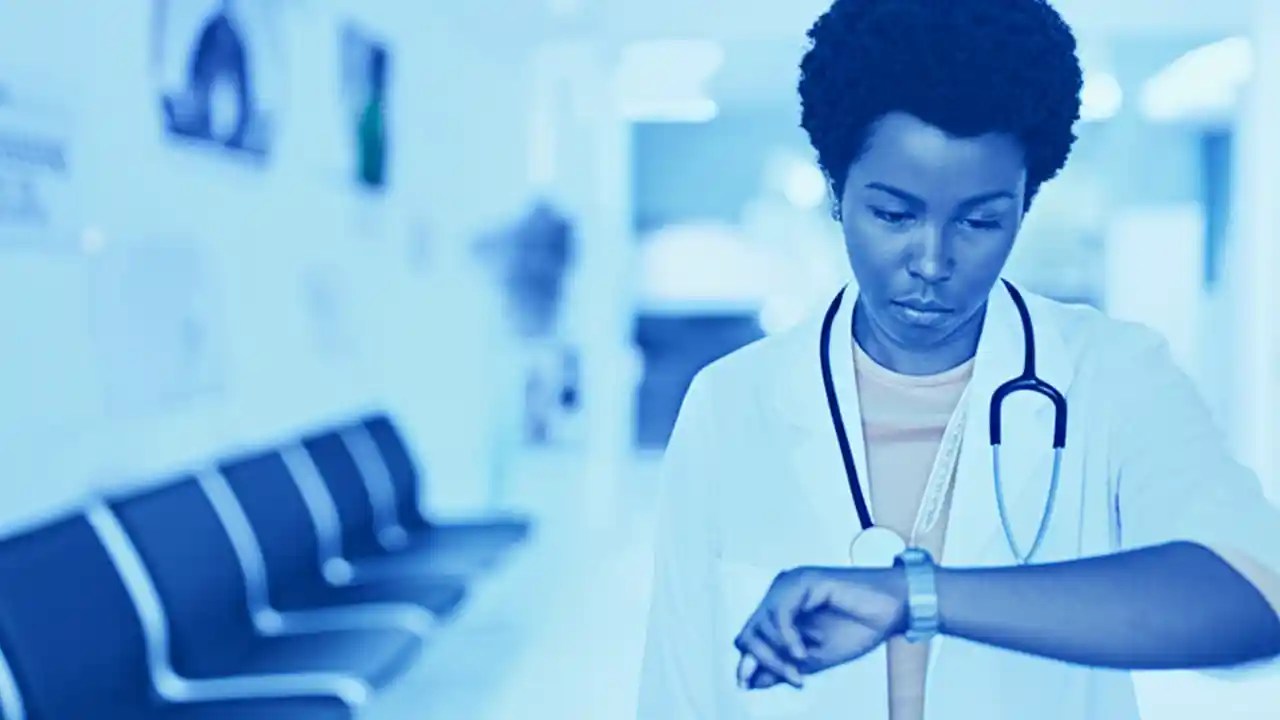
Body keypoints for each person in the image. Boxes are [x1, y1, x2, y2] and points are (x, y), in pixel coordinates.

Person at [634, 1, 1280, 719]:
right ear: (835, 190)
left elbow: (1256, 600)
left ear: (1025, 204)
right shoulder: (731, 402)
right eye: (894, 215)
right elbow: (678, 687)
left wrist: (917, 597)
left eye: (980, 220)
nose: (932, 261)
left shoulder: (1114, 374)